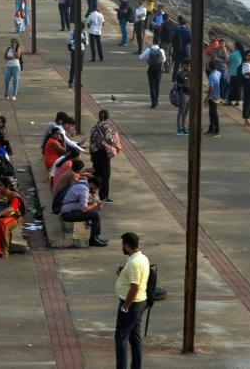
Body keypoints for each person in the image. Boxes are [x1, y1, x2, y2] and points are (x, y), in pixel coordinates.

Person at [114, 231, 151, 369]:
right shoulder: (142, 258)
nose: (122, 247)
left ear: (127, 246)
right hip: (140, 303)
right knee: (134, 337)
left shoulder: (134, 263)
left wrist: (125, 307)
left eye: (123, 245)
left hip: (132, 305)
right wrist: (123, 271)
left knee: (121, 337)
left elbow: (134, 288)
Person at [61, 174, 106, 247]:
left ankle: (96, 236)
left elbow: (82, 203)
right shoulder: (84, 190)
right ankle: (92, 240)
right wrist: (95, 204)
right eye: (95, 188)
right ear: (92, 184)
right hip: (67, 214)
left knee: (95, 210)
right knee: (95, 214)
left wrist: (95, 203)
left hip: (71, 210)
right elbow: (84, 209)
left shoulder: (82, 183)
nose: (94, 191)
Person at [90, 110, 122, 202]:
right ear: (107, 117)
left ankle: (91, 192)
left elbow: (91, 140)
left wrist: (92, 153)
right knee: (106, 175)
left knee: (96, 173)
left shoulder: (94, 126)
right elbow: (109, 140)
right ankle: (103, 196)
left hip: (95, 153)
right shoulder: (106, 126)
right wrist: (115, 139)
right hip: (103, 153)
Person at [139, 38, 166, 108]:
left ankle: (153, 102)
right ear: (158, 43)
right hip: (158, 70)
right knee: (157, 86)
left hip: (150, 70)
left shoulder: (148, 50)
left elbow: (140, 57)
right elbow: (164, 59)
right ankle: (156, 101)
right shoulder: (161, 50)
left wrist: (147, 57)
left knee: (152, 86)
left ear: (152, 42)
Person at [175, 58, 191, 136]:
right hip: (183, 94)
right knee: (181, 112)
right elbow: (184, 84)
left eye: (190, 66)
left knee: (186, 113)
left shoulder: (189, 73)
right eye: (188, 66)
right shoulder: (180, 74)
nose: (189, 67)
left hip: (189, 94)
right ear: (184, 65)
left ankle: (184, 128)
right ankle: (179, 129)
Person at [206, 66, 222, 137]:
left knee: (214, 114)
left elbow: (211, 89)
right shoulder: (218, 73)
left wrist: (206, 98)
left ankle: (216, 131)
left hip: (213, 97)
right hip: (217, 95)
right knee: (211, 113)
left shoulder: (211, 76)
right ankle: (211, 128)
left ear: (210, 68)